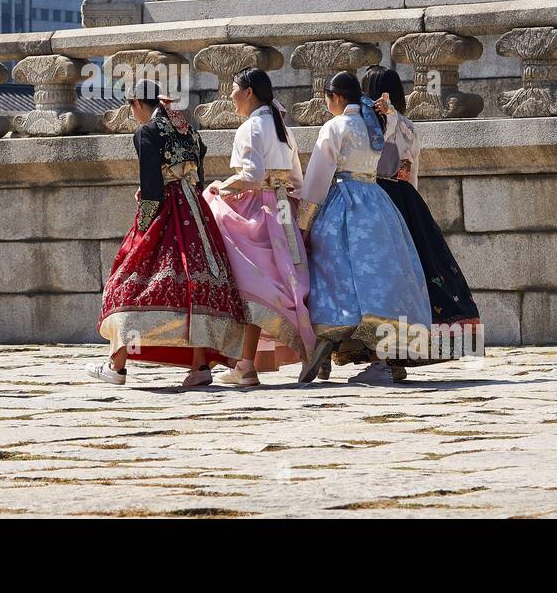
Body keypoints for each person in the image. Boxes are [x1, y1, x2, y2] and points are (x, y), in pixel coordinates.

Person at [86, 79, 248, 387]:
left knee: (132, 278)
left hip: (167, 209)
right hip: (196, 210)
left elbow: (151, 187)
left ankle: (116, 365)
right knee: (197, 282)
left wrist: (144, 227)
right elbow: (197, 170)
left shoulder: (147, 132)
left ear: (136, 104)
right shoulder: (186, 128)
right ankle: (200, 366)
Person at [295, 71, 432, 385]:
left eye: (327, 98)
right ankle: (381, 359)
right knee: (378, 278)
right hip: (376, 201)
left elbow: (317, 177)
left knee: (332, 269)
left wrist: (304, 220)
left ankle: (328, 342)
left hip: (343, 200)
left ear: (338, 98)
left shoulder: (335, 126)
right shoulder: (375, 125)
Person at [363, 65, 482, 368]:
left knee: (383, 277)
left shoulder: (374, 127)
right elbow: (412, 172)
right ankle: (401, 354)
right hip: (409, 201)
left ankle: (382, 354)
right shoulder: (408, 126)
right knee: (416, 273)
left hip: (379, 198)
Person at [203, 68, 315, 386]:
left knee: (252, 286)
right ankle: (251, 363)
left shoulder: (251, 127)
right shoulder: (282, 128)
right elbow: (296, 179)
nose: (230, 96)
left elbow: (251, 175)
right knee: (286, 284)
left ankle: (245, 363)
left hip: (258, 209)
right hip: (283, 209)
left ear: (249, 92)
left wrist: (220, 189)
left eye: (234, 90)